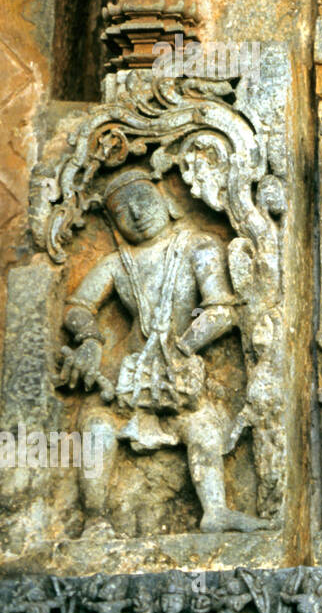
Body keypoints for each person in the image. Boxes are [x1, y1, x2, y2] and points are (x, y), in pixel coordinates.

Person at [55, 167, 268, 535]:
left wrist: (183, 347)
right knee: (95, 425)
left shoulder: (197, 246)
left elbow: (222, 311)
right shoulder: (117, 264)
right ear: (114, 223)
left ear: (167, 201)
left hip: (180, 373)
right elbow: (78, 307)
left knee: (202, 428)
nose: (136, 214)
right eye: (123, 211)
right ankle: (95, 520)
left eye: (143, 200)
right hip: (134, 376)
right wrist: (89, 341)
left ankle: (215, 510)